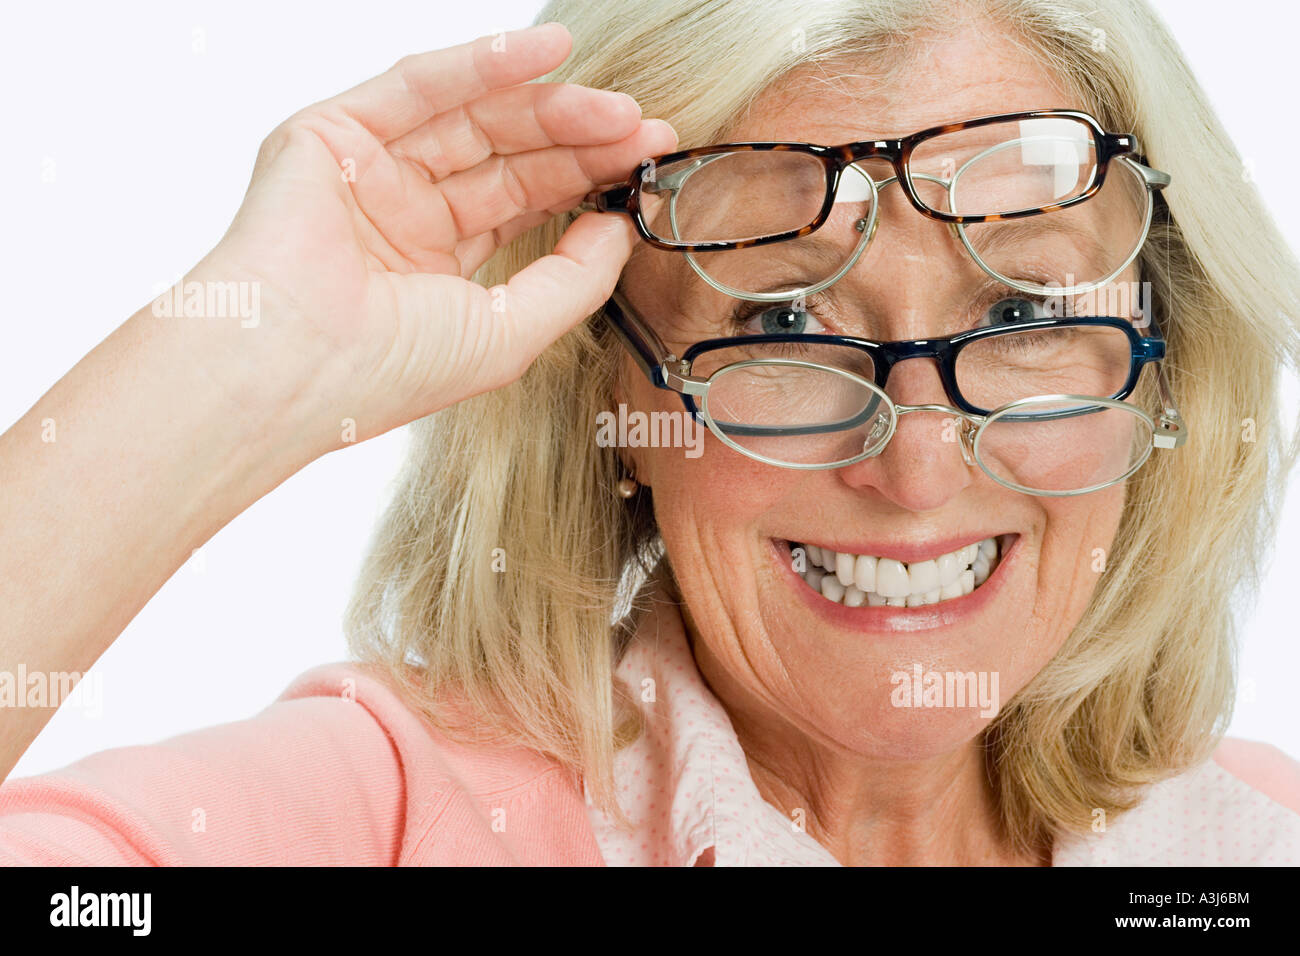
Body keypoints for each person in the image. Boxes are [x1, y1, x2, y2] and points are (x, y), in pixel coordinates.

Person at [2, 0, 1298, 866]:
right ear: (608, 401)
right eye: (784, 327)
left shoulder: (1252, 836)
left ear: (1163, 370)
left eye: (1022, 308)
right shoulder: (395, 820)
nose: (913, 470)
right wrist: (244, 357)